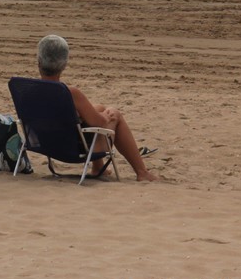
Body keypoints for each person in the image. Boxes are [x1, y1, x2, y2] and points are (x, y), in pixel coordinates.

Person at [36, 34, 157, 182]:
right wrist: (106, 116)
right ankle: (142, 172)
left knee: (98, 107)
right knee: (114, 114)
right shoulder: (70, 93)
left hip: (46, 144)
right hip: (74, 149)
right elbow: (99, 122)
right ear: (64, 64)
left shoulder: (29, 90)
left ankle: (98, 167)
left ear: (39, 62)